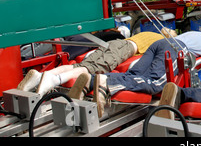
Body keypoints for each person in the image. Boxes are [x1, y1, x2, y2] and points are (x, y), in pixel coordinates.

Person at [72, 28, 201, 118]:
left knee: (133, 76)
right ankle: (107, 83)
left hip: (159, 43)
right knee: (155, 84)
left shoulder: (199, 34)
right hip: (176, 48)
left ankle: (91, 81)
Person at [17, 28, 176, 97]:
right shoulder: (161, 42)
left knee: (78, 66)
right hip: (124, 49)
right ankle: (53, 81)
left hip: (114, 44)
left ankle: (41, 76)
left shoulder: (148, 33)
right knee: (89, 69)